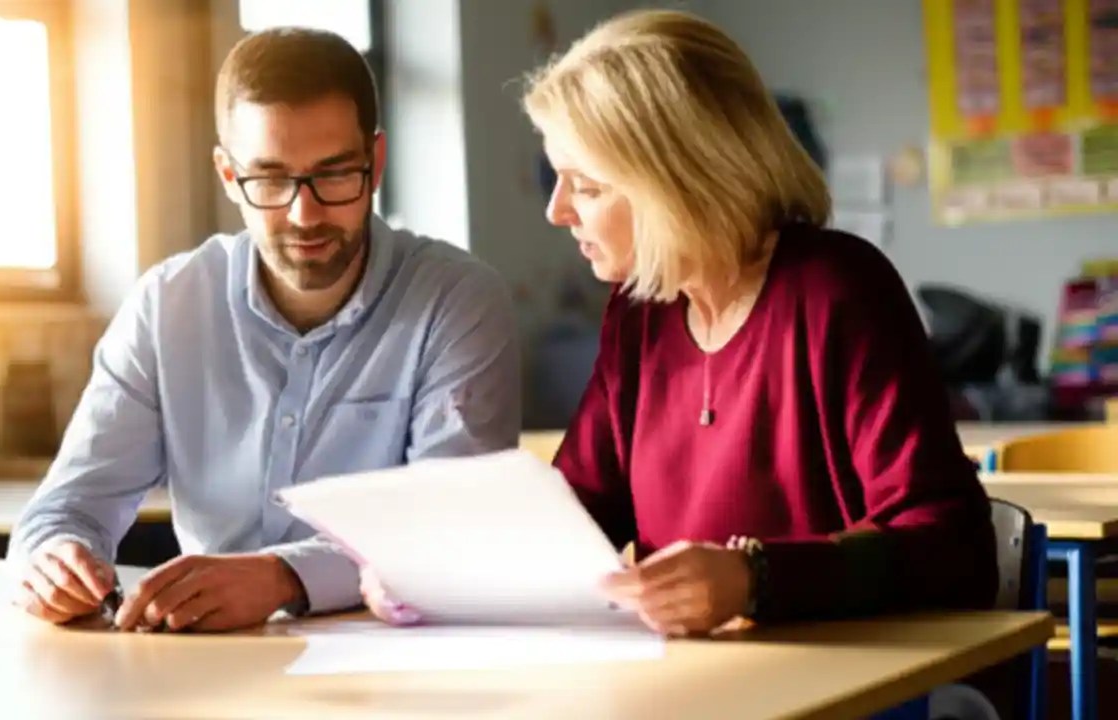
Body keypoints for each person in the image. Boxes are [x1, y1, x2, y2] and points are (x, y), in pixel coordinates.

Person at [363, 9, 996, 636]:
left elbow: (955, 547)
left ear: (676, 181)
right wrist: (437, 572)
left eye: (584, 185)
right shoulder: (641, 313)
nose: (558, 211)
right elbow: (573, 524)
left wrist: (756, 577)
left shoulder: (837, 290)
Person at [8, 27, 520, 633]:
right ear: (228, 175)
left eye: (334, 175)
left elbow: (452, 525)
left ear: (375, 163)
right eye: (270, 180)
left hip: (388, 664)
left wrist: (284, 576)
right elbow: (67, 505)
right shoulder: (166, 305)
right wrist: (53, 558)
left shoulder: (458, 302)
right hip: (204, 660)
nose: (304, 215)